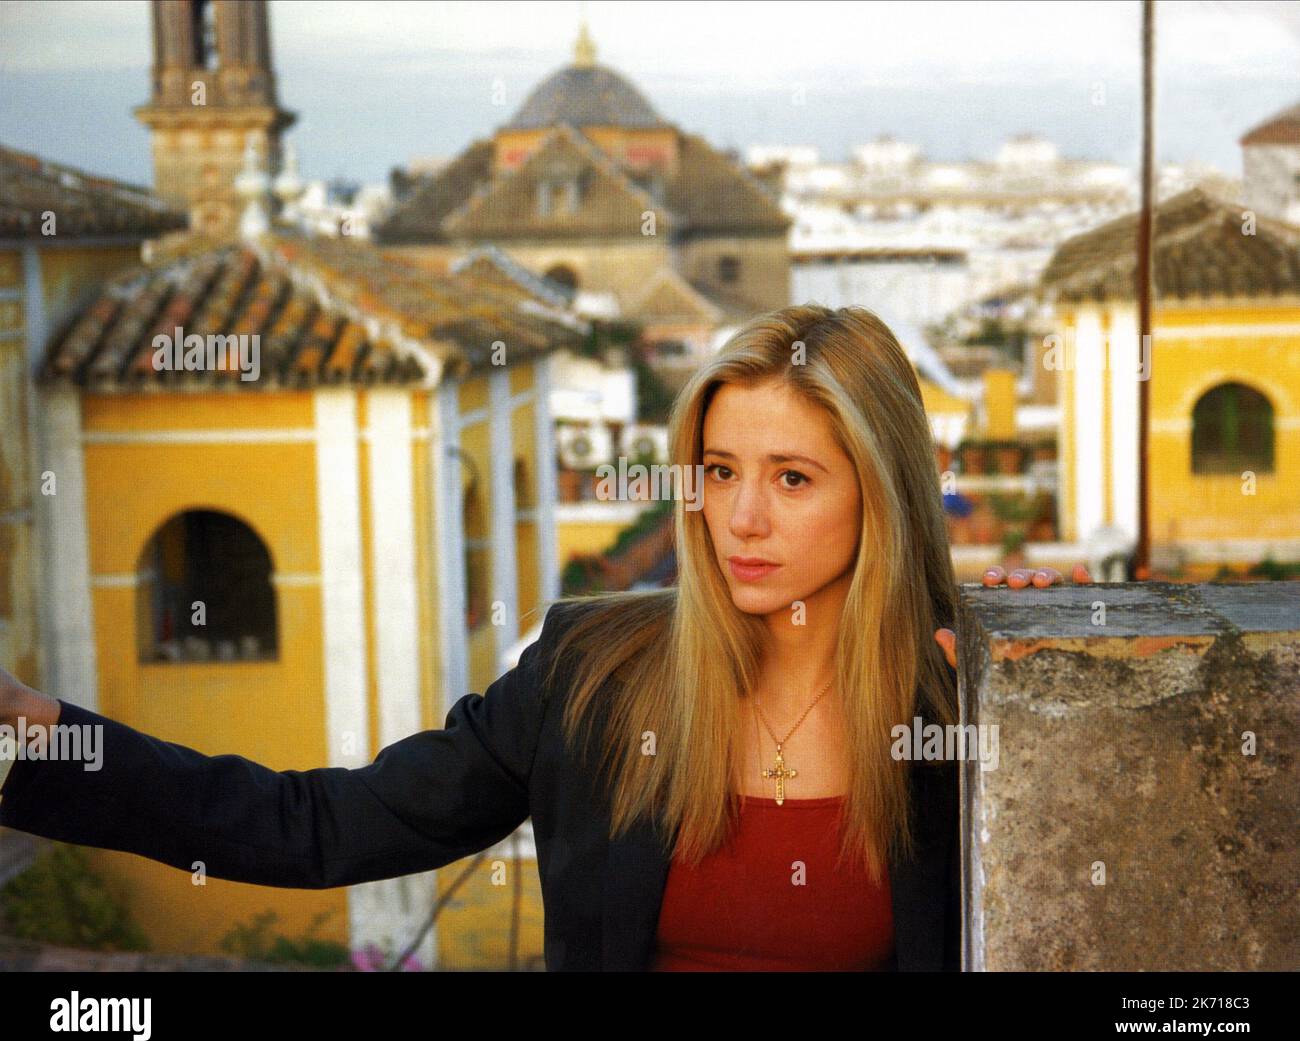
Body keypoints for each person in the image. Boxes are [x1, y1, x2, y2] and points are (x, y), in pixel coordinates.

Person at [0, 303, 1089, 971]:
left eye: (792, 479)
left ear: (883, 493)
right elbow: (319, 826)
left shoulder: (957, 700)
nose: (739, 518)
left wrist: (1036, 652)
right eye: (717, 472)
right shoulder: (593, 672)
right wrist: (37, 737)